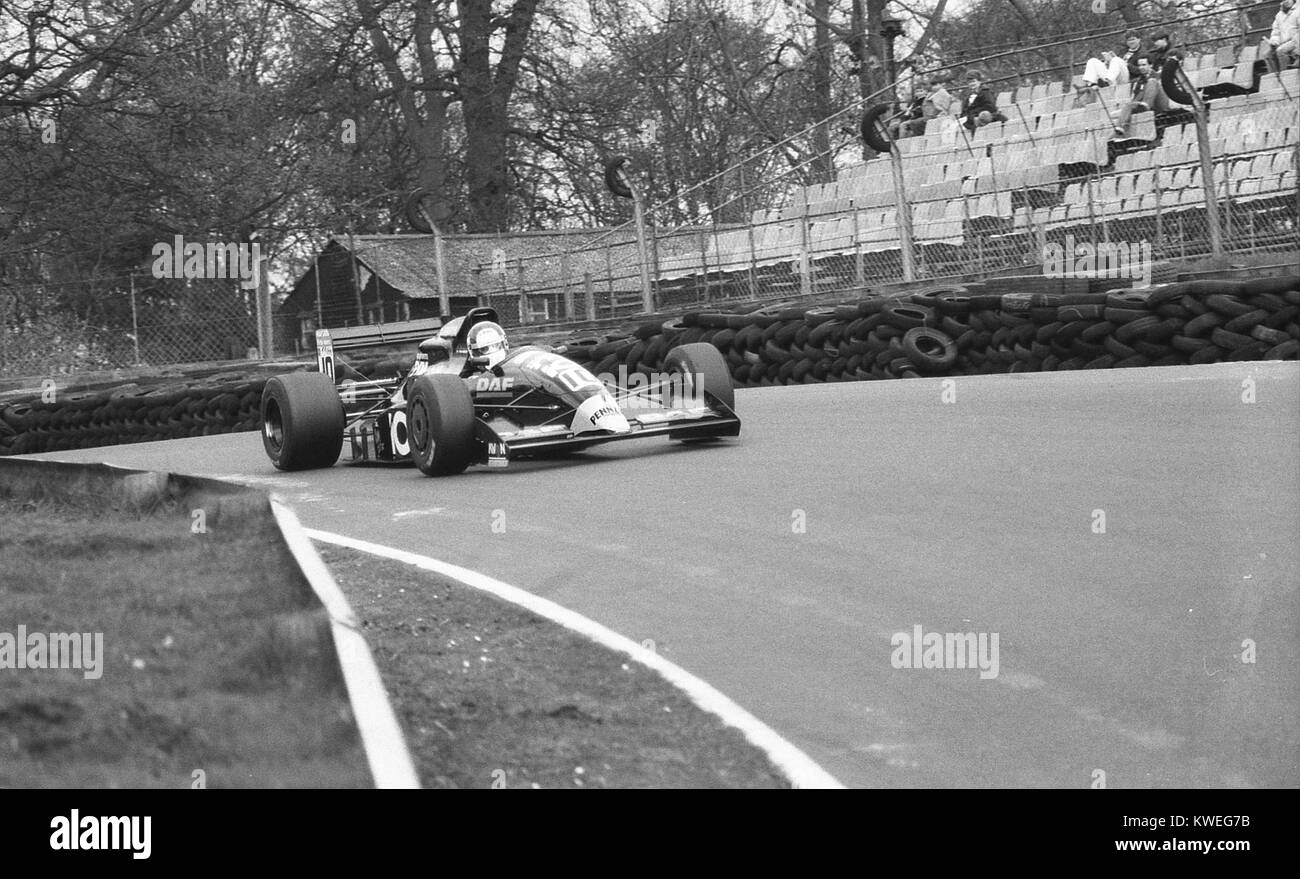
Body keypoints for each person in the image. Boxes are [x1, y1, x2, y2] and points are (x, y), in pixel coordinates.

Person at [1112, 54, 1170, 138]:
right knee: (1128, 105)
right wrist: (1129, 106)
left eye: (1144, 65)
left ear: (1150, 65)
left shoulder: (1157, 76)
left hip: (1160, 103)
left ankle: (1146, 104)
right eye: (1139, 65)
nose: (1141, 67)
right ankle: (1119, 129)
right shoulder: (1138, 81)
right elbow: (1136, 98)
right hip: (1144, 104)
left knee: (1151, 82)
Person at [1261, 0, 1299, 74]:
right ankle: (1274, 77)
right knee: (1267, 55)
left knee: (1280, 51)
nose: (1286, 1)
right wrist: (1274, 42)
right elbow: (1276, 32)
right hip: (1283, 43)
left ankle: (1284, 75)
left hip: (1295, 42)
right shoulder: (1279, 15)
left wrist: (1293, 42)